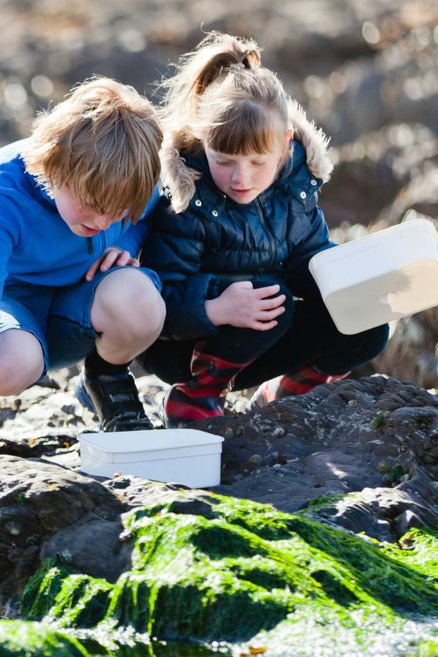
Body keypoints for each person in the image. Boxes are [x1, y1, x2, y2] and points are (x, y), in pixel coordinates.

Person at [137, 33, 390, 428]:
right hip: (186, 346)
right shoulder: (186, 200)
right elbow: (157, 300)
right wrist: (215, 308)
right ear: (204, 143)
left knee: (368, 324)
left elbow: (310, 260)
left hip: (264, 328)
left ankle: (289, 392)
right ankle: (196, 396)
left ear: (286, 145)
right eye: (225, 161)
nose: (241, 178)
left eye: (258, 162)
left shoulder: (294, 187)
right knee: (275, 299)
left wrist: (357, 282)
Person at [0, 76, 165, 455]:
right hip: (2, 301)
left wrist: (127, 241)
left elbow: (151, 208)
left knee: (141, 303)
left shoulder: (125, 180)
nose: (102, 223)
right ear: (57, 167)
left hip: (76, 297)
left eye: (117, 214)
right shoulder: (0, 192)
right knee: (12, 364)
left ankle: (106, 382)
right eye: (92, 207)